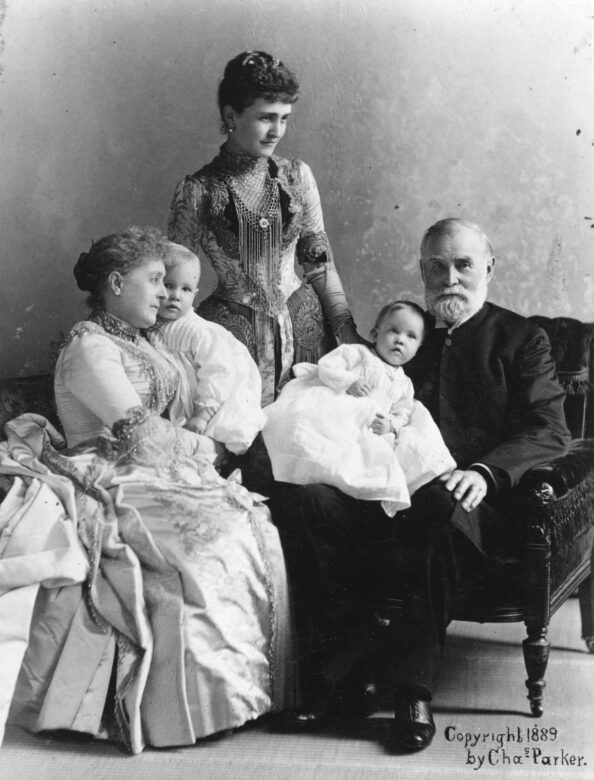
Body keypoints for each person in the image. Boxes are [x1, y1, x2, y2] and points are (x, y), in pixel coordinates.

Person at [269, 218, 570, 752]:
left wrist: (484, 472)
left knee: (441, 501)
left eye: (463, 265)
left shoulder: (522, 338)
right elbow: (358, 376)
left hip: (471, 502)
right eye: (437, 266)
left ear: (488, 269)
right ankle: (345, 670)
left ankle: (410, 688)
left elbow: (550, 428)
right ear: (422, 270)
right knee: (310, 499)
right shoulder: (409, 336)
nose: (449, 278)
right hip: (387, 487)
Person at [0, 227, 292, 753]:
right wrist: (204, 452)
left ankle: (237, 696)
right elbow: (134, 428)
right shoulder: (89, 346)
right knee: (195, 545)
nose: (165, 293)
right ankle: (184, 709)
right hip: (107, 468)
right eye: (154, 280)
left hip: (152, 467)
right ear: (116, 283)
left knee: (245, 521)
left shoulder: (137, 340)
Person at [168, 50, 362, 405]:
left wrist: (348, 335)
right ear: (231, 115)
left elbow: (320, 266)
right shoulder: (198, 189)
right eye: (266, 118)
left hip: (307, 328)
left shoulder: (297, 176)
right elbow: (171, 286)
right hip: (232, 337)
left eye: (285, 118)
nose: (277, 131)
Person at [262, 300, 455, 516]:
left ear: (419, 347)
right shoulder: (358, 354)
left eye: (411, 336)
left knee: (369, 460)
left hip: (366, 429)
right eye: (393, 331)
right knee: (317, 441)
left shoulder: (404, 383)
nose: (400, 340)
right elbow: (328, 366)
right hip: (338, 414)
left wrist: (391, 425)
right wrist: (349, 381)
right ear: (375, 333)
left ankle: (357, 497)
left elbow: (404, 412)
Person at [150, 240, 266, 455]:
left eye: (185, 289)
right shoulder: (151, 325)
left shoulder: (199, 331)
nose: (176, 295)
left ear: (195, 294)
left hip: (206, 408)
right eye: (168, 285)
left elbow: (218, 373)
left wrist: (202, 415)